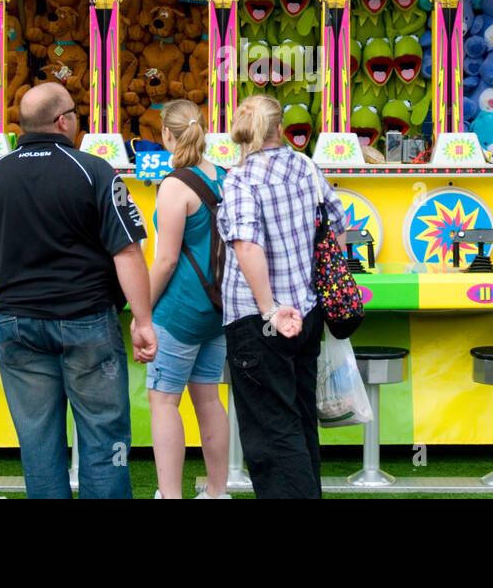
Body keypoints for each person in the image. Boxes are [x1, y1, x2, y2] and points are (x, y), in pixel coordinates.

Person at [0, 82, 157, 500]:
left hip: (15, 326)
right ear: (63, 120)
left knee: (38, 442)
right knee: (105, 437)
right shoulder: (94, 169)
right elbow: (127, 251)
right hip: (87, 322)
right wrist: (143, 319)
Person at [216, 93, 349, 499]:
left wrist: (270, 308)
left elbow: (246, 245)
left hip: (262, 320)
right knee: (299, 420)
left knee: (271, 432)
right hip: (307, 312)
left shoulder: (241, 177)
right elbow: (338, 225)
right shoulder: (307, 166)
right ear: (280, 127)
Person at [147, 100, 230, 499]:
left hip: (179, 312)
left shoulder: (175, 185)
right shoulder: (227, 178)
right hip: (218, 310)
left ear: (166, 135)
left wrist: (141, 310)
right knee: (209, 399)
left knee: (164, 402)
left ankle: (170, 495)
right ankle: (217, 492)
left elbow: (164, 261)